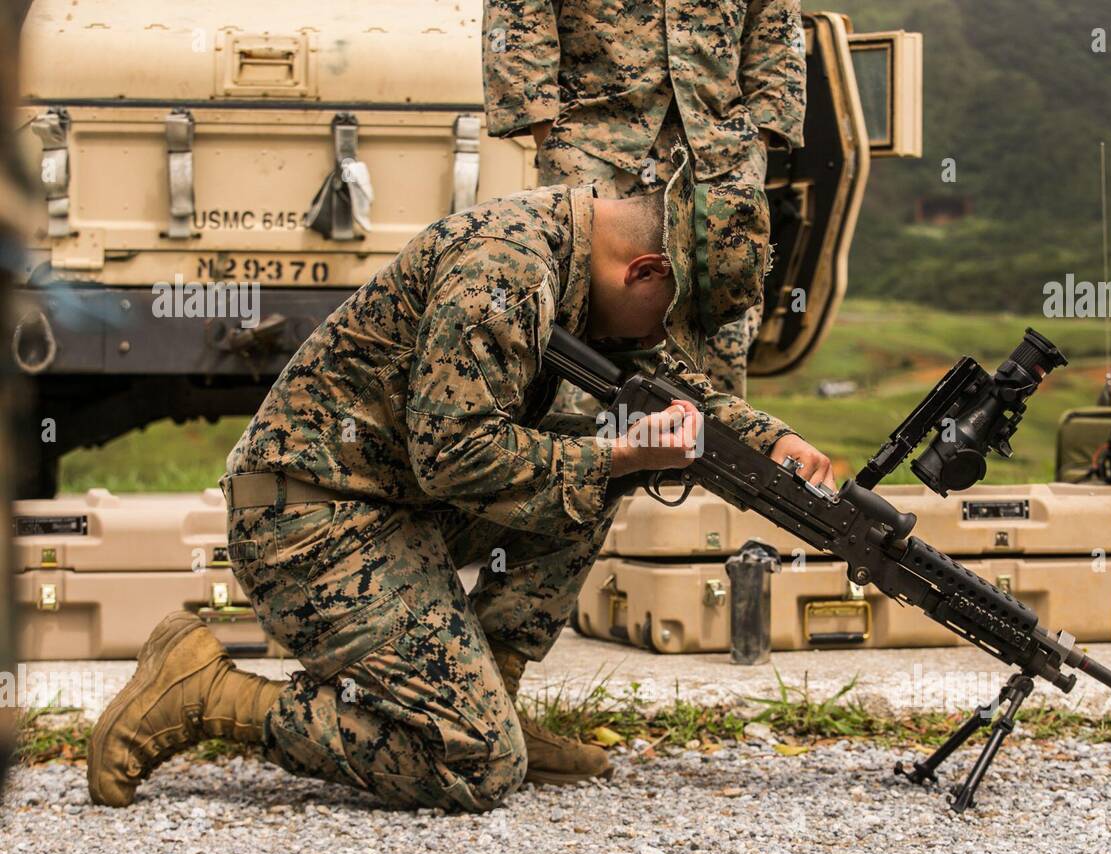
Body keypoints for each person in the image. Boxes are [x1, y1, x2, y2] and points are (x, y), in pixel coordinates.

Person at [86, 156, 834, 812]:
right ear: (644, 271)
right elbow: (457, 456)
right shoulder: (503, 273)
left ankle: (489, 694)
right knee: (476, 763)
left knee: (594, 460)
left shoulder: (571, 250)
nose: (656, 341)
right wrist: (619, 459)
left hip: (387, 503)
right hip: (308, 524)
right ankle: (207, 694)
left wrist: (772, 440)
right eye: (665, 320)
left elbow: (662, 388)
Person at [482, 0, 806, 402]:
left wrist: (764, 130)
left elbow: (774, 14)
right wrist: (546, 127)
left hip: (720, 145)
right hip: (593, 138)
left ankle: (707, 450)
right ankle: (585, 453)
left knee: (722, 323)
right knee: (581, 314)